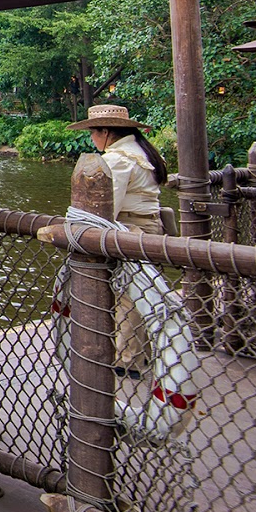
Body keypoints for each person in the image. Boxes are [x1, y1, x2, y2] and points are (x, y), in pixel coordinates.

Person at [69, 103, 169, 374]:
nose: (91, 138)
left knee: (127, 295)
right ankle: (141, 354)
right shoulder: (137, 151)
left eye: (92, 132)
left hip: (132, 232)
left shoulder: (118, 159)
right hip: (146, 229)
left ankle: (128, 361)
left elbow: (103, 207)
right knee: (140, 292)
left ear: (105, 132)